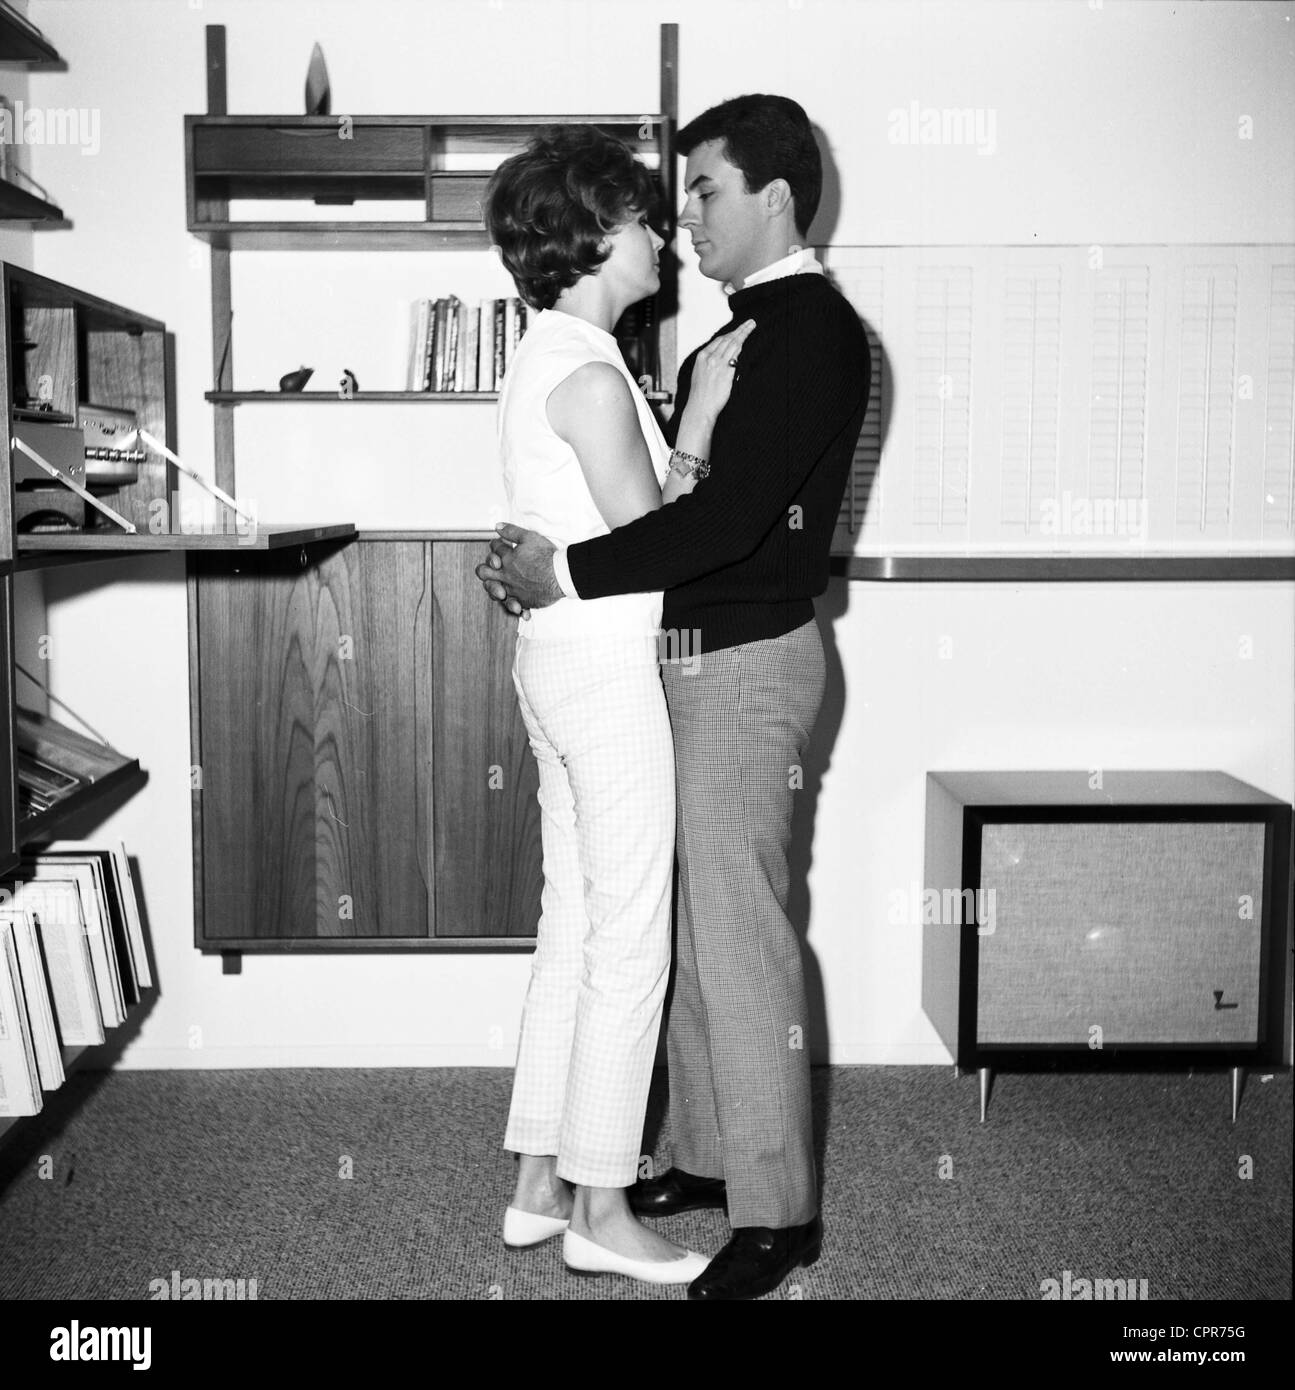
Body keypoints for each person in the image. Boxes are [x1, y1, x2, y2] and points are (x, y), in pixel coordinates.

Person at [479, 94, 872, 1301]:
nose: (685, 216)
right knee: (679, 932)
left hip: (745, 663)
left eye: (702, 191)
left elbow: (728, 524)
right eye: (669, 201)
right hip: (664, 661)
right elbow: (664, 497)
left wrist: (564, 572)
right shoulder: (711, 343)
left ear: (776, 199)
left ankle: (776, 1210)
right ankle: (705, 1155)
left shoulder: (810, 331)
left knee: (733, 935)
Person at [484, 124, 756, 1287]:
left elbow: (611, 522)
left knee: (571, 927)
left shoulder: (547, 355)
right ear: (598, 236)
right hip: (600, 670)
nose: (665, 239)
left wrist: (677, 424)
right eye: (647, 221)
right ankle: (601, 1204)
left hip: (554, 660)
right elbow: (655, 543)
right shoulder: (592, 376)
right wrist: (698, 422)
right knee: (627, 935)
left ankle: (539, 1183)